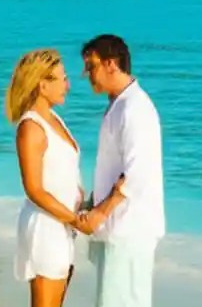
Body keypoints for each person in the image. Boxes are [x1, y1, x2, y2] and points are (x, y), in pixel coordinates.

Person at [7, 48, 127, 307]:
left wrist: (86, 204)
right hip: (47, 226)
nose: (68, 85)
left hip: (62, 225)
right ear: (42, 85)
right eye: (61, 79)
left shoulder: (53, 119)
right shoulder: (31, 128)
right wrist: (76, 220)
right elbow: (34, 189)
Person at [80, 35, 165, 307]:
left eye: (91, 66)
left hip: (130, 228)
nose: (86, 74)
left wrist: (99, 213)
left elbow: (136, 172)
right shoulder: (119, 104)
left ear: (111, 64)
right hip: (117, 227)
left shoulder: (135, 108)